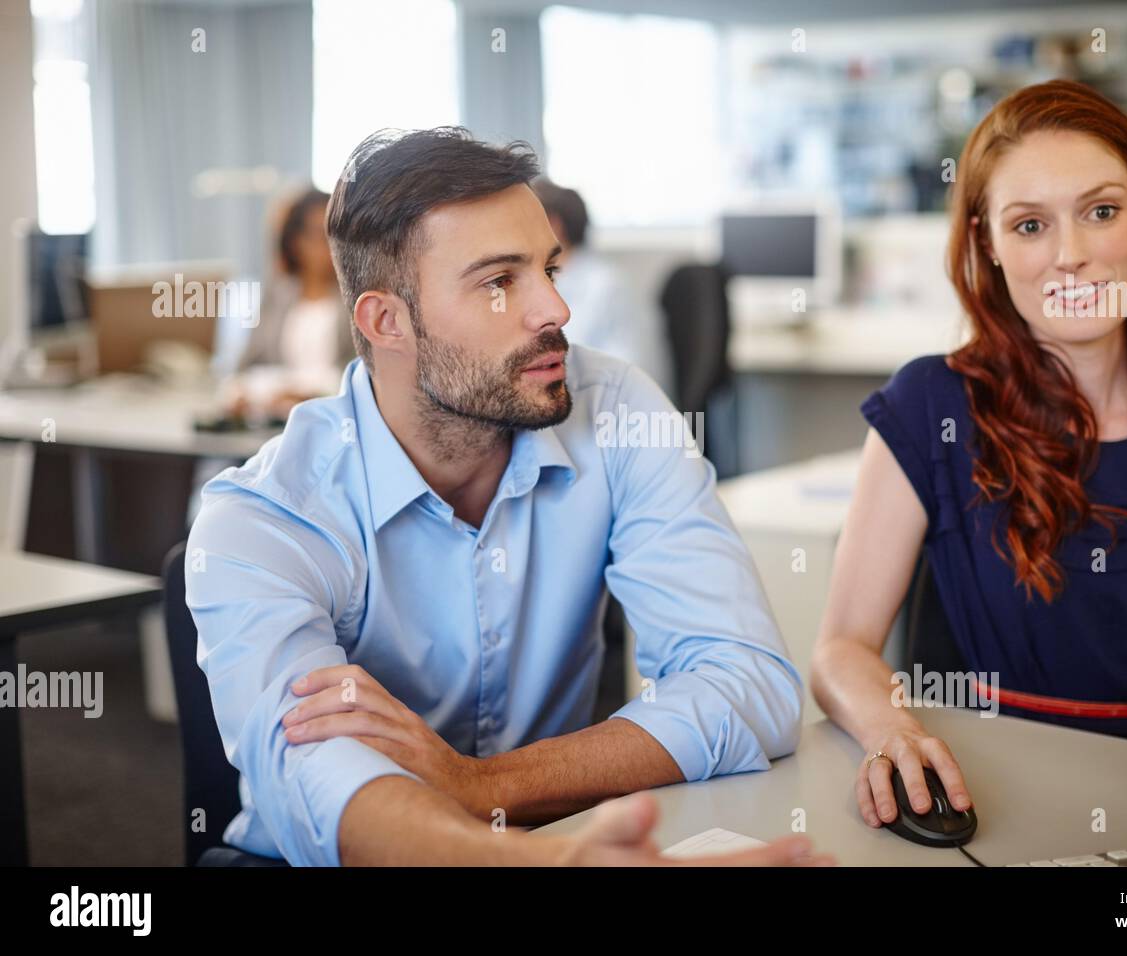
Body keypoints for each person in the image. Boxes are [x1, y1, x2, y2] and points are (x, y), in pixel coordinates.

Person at [185, 128, 805, 866]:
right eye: (499, 281)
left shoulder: (616, 410)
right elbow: (322, 783)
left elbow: (750, 683)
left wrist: (485, 784)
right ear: (386, 322)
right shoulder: (263, 516)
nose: (556, 310)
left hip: (551, 831)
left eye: (549, 268)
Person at [811, 80, 1127, 831]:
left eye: (1102, 211)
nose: (1071, 256)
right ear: (987, 241)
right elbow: (840, 649)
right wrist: (895, 731)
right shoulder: (931, 403)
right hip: (1009, 799)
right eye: (1029, 226)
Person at [531, 178, 672, 392]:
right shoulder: (554, 281)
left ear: (553, 225)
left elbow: (625, 375)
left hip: (616, 413)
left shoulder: (605, 285)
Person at [226, 188, 354, 420]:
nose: (329, 247)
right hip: (275, 422)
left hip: (335, 420)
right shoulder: (277, 295)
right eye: (317, 236)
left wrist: (309, 393)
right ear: (296, 242)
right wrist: (245, 392)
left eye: (335, 234)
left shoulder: (357, 298)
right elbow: (245, 367)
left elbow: (365, 373)